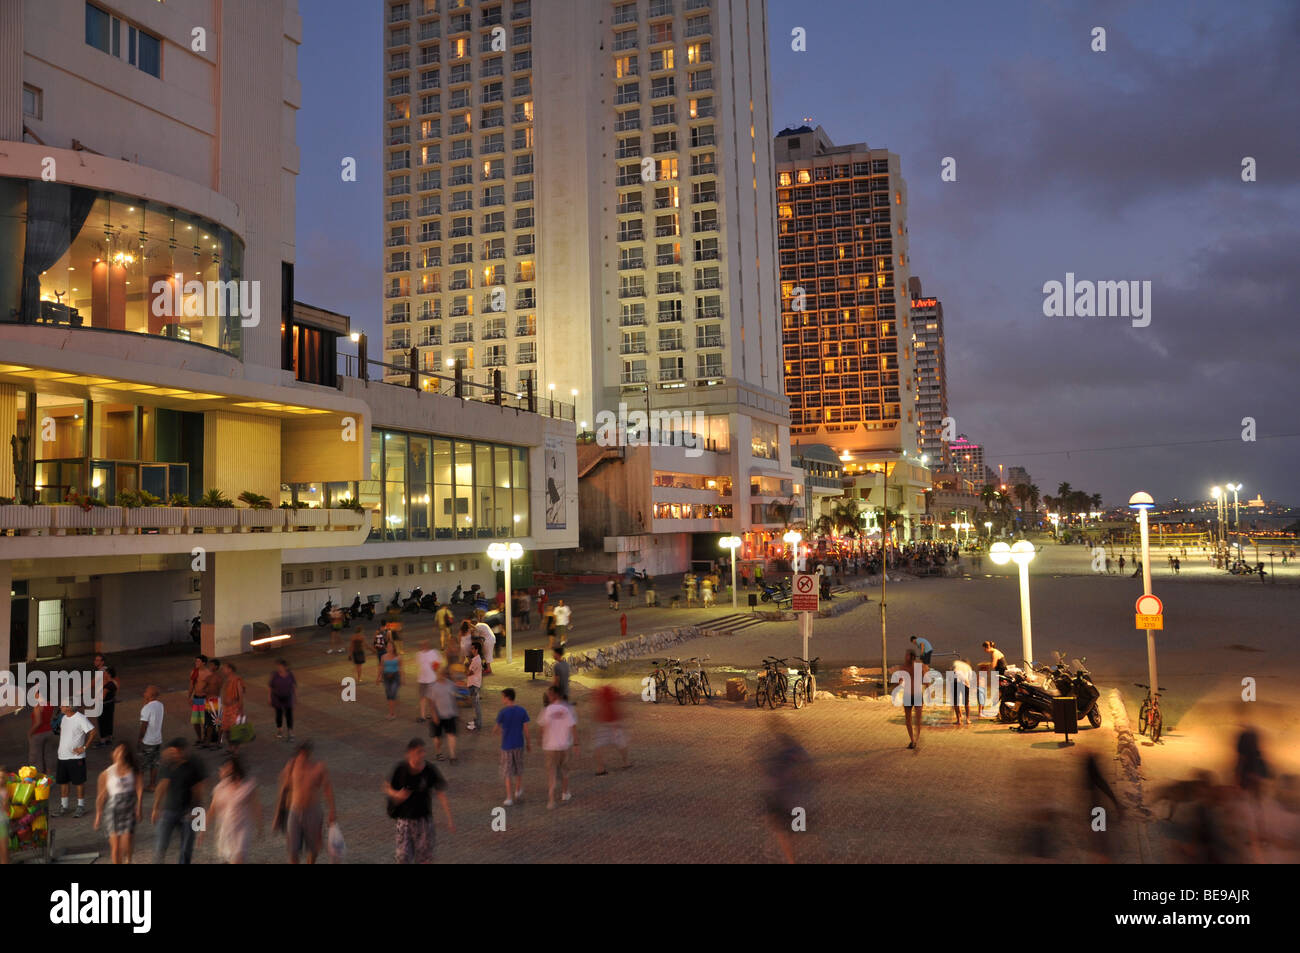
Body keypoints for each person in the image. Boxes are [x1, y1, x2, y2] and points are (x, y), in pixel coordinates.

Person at [384, 738, 454, 864]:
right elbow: (387, 786)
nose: (422, 755)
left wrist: (449, 818)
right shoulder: (400, 769)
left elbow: (440, 793)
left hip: (424, 821)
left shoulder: (429, 770)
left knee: (425, 858)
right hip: (404, 822)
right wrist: (396, 794)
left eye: (423, 751)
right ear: (410, 753)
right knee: (402, 857)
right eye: (419, 752)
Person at [275, 741, 336, 865]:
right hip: (294, 811)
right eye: (300, 754)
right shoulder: (291, 765)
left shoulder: (319, 767)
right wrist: (278, 813)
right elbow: (283, 788)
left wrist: (332, 811)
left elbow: (328, 789)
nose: (302, 757)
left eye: (304, 754)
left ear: (308, 754)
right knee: (292, 849)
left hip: (313, 811)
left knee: (313, 848)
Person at [151, 737, 207, 864]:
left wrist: (198, 816)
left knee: (186, 848)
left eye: (175, 752)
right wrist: (155, 808)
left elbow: (199, 791)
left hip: (188, 811)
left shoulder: (194, 764)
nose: (173, 755)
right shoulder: (168, 764)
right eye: (171, 752)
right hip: (169, 809)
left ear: (182, 751)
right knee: (160, 845)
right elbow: (162, 786)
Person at [205, 755, 261, 864]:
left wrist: (260, 826)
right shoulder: (220, 788)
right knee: (227, 860)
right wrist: (202, 830)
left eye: (225, 768)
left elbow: (256, 806)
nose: (221, 771)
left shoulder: (248, 786)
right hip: (226, 832)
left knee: (237, 860)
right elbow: (211, 809)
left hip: (242, 831)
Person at [92, 742, 142, 864]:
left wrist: (138, 807)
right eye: (117, 751)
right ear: (113, 754)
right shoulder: (106, 773)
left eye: (123, 751)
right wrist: (98, 815)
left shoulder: (133, 770)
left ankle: (128, 859)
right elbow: (101, 796)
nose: (120, 754)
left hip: (129, 808)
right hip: (113, 810)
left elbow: (139, 787)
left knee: (127, 841)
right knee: (115, 847)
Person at [53, 704, 96, 817]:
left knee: (79, 782)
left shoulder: (80, 718)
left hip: (76, 757)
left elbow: (93, 731)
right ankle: (64, 806)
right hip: (62, 756)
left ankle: (80, 806)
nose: (60, 707)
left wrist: (84, 747)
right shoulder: (63, 718)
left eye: (63, 705)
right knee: (63, 782)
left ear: (69, 707)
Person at [539, 687, 578, 809]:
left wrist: (541, 739)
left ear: (552, 696)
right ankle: (565, 793)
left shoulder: (547, 710)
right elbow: (573, 727)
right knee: (564, 770)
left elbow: (542, 728)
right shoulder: (566, 710)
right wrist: (576, 743)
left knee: (551, 773)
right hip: (564, 745)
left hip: (550, 746)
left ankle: (551, 800)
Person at [495, 688, 531, 806]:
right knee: (519, 768)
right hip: (519, 744)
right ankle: (518, 790)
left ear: (507, 698)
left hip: (507, 745)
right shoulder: (522, 711)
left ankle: (509, 797)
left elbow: (496, 728)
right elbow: (526, 729)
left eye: (503, 697)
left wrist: (497, 731)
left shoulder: (503, 712)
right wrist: (529, 743)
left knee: (507, 771)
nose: (502, 699)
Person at [591, 683, 630, 774]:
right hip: (613, 723)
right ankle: (626, 762)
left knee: (599, 745)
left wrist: (596, 718)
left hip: (602, 723)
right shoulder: (611, 694)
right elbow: (617, 707)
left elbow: (597, 709)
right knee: (621, 743)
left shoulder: (600, 694)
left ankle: (600, 768)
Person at [428, 671, 460, 764]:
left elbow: (454, 698)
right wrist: (434, 715)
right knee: (438, 738)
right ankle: (438, 752)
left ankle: (452, 756)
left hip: (450, 714)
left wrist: (457, 712)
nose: (442, 675)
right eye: (440, 673)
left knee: (451, 735)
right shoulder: (433, 686)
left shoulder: (451, 684)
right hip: (438, 715)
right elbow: (431, 703)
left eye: (443, 673)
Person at [138, 685, 165, 791]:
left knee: (142, 765)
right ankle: (152, 785)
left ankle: (139, 787)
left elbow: (143, 726)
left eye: (146, 692)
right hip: (157, 739)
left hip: (147, 741)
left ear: (151, 695)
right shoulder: (160, 705)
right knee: (154, 763)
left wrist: (139, 739)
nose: (144, 693)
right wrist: (146, 701)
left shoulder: (147, 708)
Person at [901, 649, 927, 750]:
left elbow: (925, 679)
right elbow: (900, 680)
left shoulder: (918, 666)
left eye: (906, 655)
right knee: (908, 719)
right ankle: (912, 740)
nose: (905, 657)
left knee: (918, 719)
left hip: (917, 694)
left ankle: (916, 739)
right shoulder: (904, 667)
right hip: (907, 695)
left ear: (911, 656)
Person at [27, 688, 56, 776]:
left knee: (36, 757)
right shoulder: (50, 704)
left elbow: (38, 723)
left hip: (38, 734)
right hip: (49, 731)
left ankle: (38, 776)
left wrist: (30, 732)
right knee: (48, 754)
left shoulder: (38, 706)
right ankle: (48, 775)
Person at [219, 661, 246, 751]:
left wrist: (241, 709)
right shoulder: (227, 680)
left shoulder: (237, 680)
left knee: (235, 730)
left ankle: (236, 749)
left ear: (230, 669)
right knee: (226, 729)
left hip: (234, 707)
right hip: (226, 708)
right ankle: (231, 747)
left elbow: (240, 695)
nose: (223, 670)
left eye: (225, 668)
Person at [416, 638, 444, 723]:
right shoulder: (419, 654)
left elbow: (438, 664)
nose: (423, 646)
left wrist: (438, 673)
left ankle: (434, 714)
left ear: (428, 645)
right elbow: (420, 665)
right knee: (423, 697)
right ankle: (422, 716)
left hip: (432, 679)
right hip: (422, 679)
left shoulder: (434, 653)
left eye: (425, 644)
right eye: (422, 645)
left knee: (432, 699)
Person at [269, 659, 297, 742]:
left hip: (288, 697)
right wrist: (269, 697)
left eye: (280, 666)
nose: (279, 668)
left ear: (285, 667)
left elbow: (293, 686)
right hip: (277, 697)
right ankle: (280, 730)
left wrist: (295, 697)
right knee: (279, 714)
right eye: (278, 666)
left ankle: (290, 732)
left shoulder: (290, 675)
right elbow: (271, 686)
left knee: (289, 715)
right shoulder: (275, 675)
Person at [94, 660, 119, 749]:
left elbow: (102, 697)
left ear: (109, 674)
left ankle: (103, 741)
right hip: (111, 704)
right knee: (109, 721)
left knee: (102, 722)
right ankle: (109, 738)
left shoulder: (107, 686)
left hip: (103, 705)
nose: (104, 674)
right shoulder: (114, 683)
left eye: (106, 673)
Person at [189, 655, 210, 745]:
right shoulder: (194, 672)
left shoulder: (208, 673)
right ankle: (199, 738)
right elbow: (191, 685)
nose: (196, 663)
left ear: (203, 663)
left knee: (205, 721)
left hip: (204, 698)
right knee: (196, 721)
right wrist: (189, 696)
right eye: (196, 661)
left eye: (198, 661)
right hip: (196, 698)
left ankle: (206, 739)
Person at [382, 636, 403, 720]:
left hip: (395, 676)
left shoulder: (398, 657)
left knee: (392, 694)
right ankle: (391, 711)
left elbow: (401, 668)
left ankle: (392, 713)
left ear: (394, 647)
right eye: (388, 646)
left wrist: (402, 678)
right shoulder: (383, 657)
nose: (389, 648)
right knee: (389, 695)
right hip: (386, 676)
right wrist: (379, 677)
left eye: (391, 646)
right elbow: (381, 667)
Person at [466, 642, 484, 731]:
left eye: (472, 648)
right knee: (475, 704)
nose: (471, 650)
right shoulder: (476, 659)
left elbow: (469, 673)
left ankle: (478, 724)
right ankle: (477, 721)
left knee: (476, 705)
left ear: (476, 649)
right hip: (475, 684)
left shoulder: (476, 660)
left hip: (474, 685)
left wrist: (466, 666)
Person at [950, 658, 974, 726]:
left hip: (956, 682)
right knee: (966, 702)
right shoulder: (968, 667)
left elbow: (952, 670)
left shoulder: (956, 662)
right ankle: (968, 719)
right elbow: (970, 677)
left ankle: (959, 720)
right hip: (965, 683)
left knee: (956, 702)